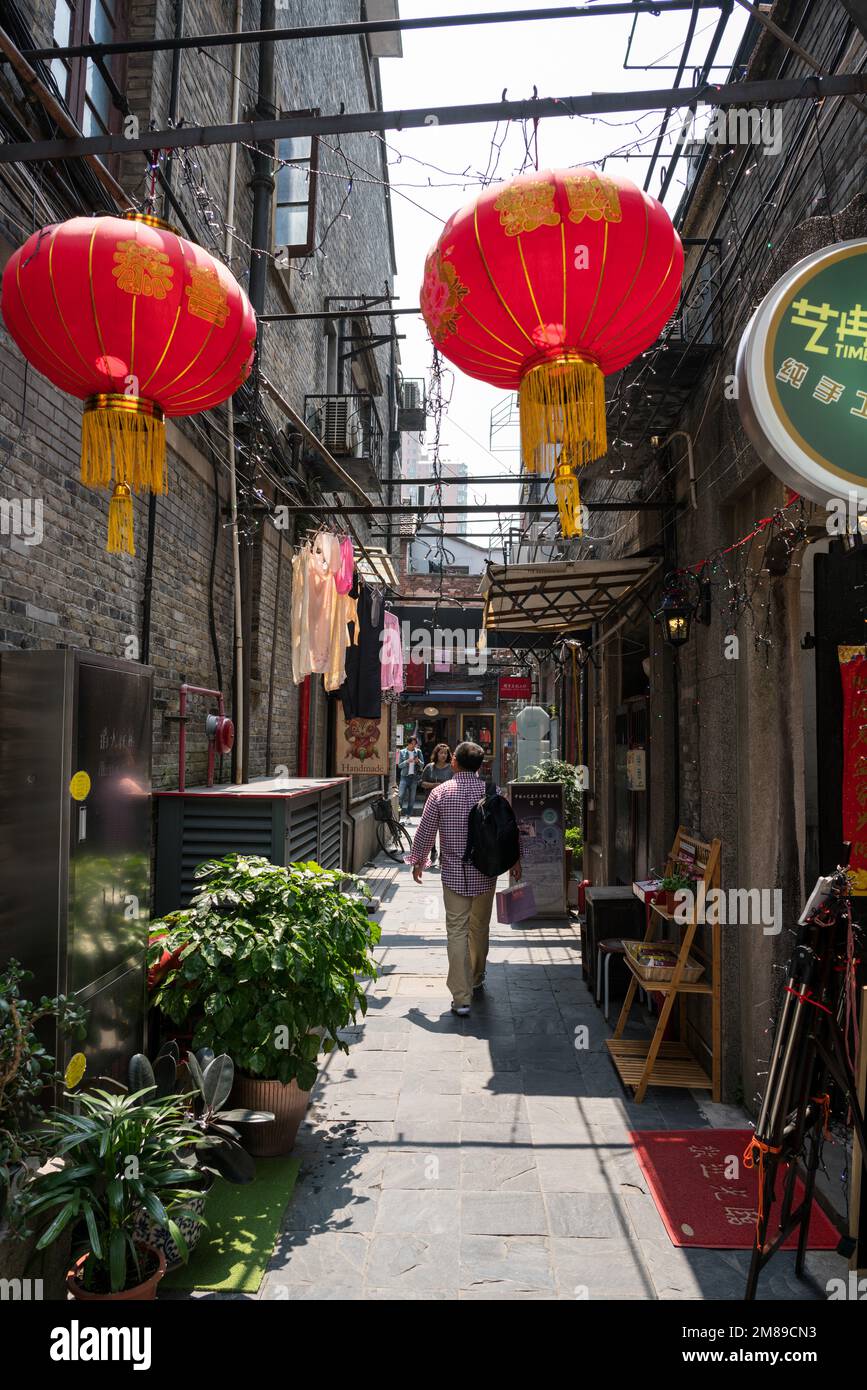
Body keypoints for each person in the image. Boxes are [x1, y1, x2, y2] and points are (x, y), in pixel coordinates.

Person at [408, 741, 521, 1016]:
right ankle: (477, 976)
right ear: (481, 765)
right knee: (480, 927)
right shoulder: (493, 792)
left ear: (455, 763)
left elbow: (425, 831)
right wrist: (516, 863)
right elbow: (509, 831)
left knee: (456, 931)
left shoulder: (441, 793)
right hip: (486, 872)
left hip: (455, 873)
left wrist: (418, 861)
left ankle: (461, 998)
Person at [419, 742, 454, 866]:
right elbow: (422, 783)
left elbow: (455, 784)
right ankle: (432, 850)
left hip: (447, 803)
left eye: (445, 753)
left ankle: (443, 855)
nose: (443, 755)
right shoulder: (430, 767)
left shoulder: (451, 768)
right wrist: (434, 785)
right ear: (437, 754)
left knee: (445, 830)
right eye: (441, 753)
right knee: (431, 829)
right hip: (431, 801)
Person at [397, 736, 422, 816]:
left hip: (414, 777)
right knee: (400, 797)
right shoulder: (402, 752)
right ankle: (399, 815)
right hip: (404, 777)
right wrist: (407, 761)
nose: (413, 745)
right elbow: (399, 766)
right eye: (412, 744)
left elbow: (422, 764)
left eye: (415, 744)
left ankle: (408, 816)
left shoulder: (418, 752)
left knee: (412, 799)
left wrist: (418, 761)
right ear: (408, 743)